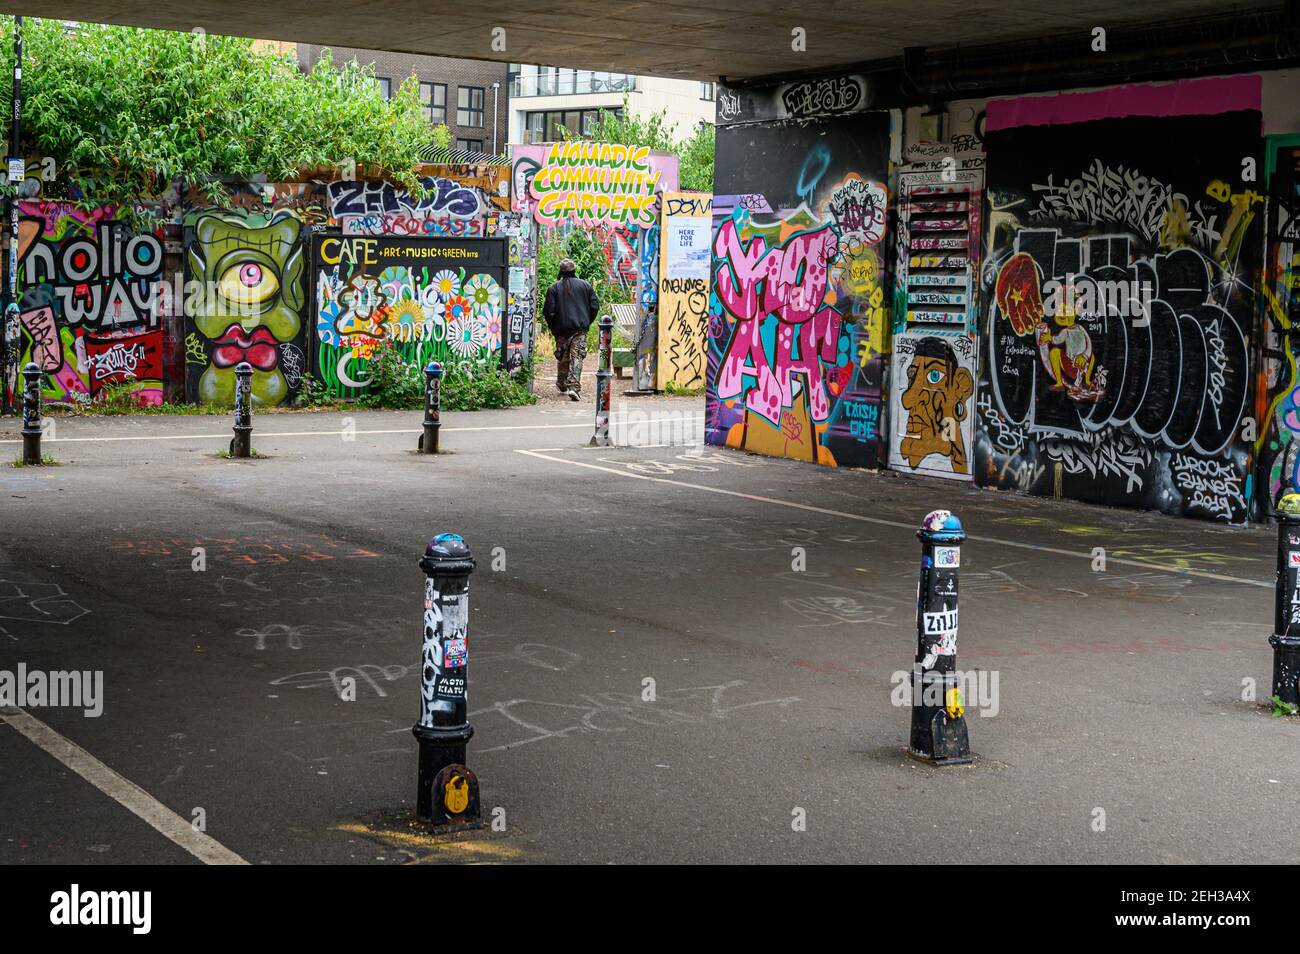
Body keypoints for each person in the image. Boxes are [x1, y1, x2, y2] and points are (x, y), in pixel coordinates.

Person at [542, 258, 599, 400]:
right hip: (580, 329)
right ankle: (574, 387)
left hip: (561, 330)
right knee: (577, 356)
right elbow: (594, 307)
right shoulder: (585, 285)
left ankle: (562, 382)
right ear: (574, 271)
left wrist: (553, 328)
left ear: (560, 272)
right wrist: (586, 321)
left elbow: (548, 311)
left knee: (563, 356)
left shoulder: (553, 288)